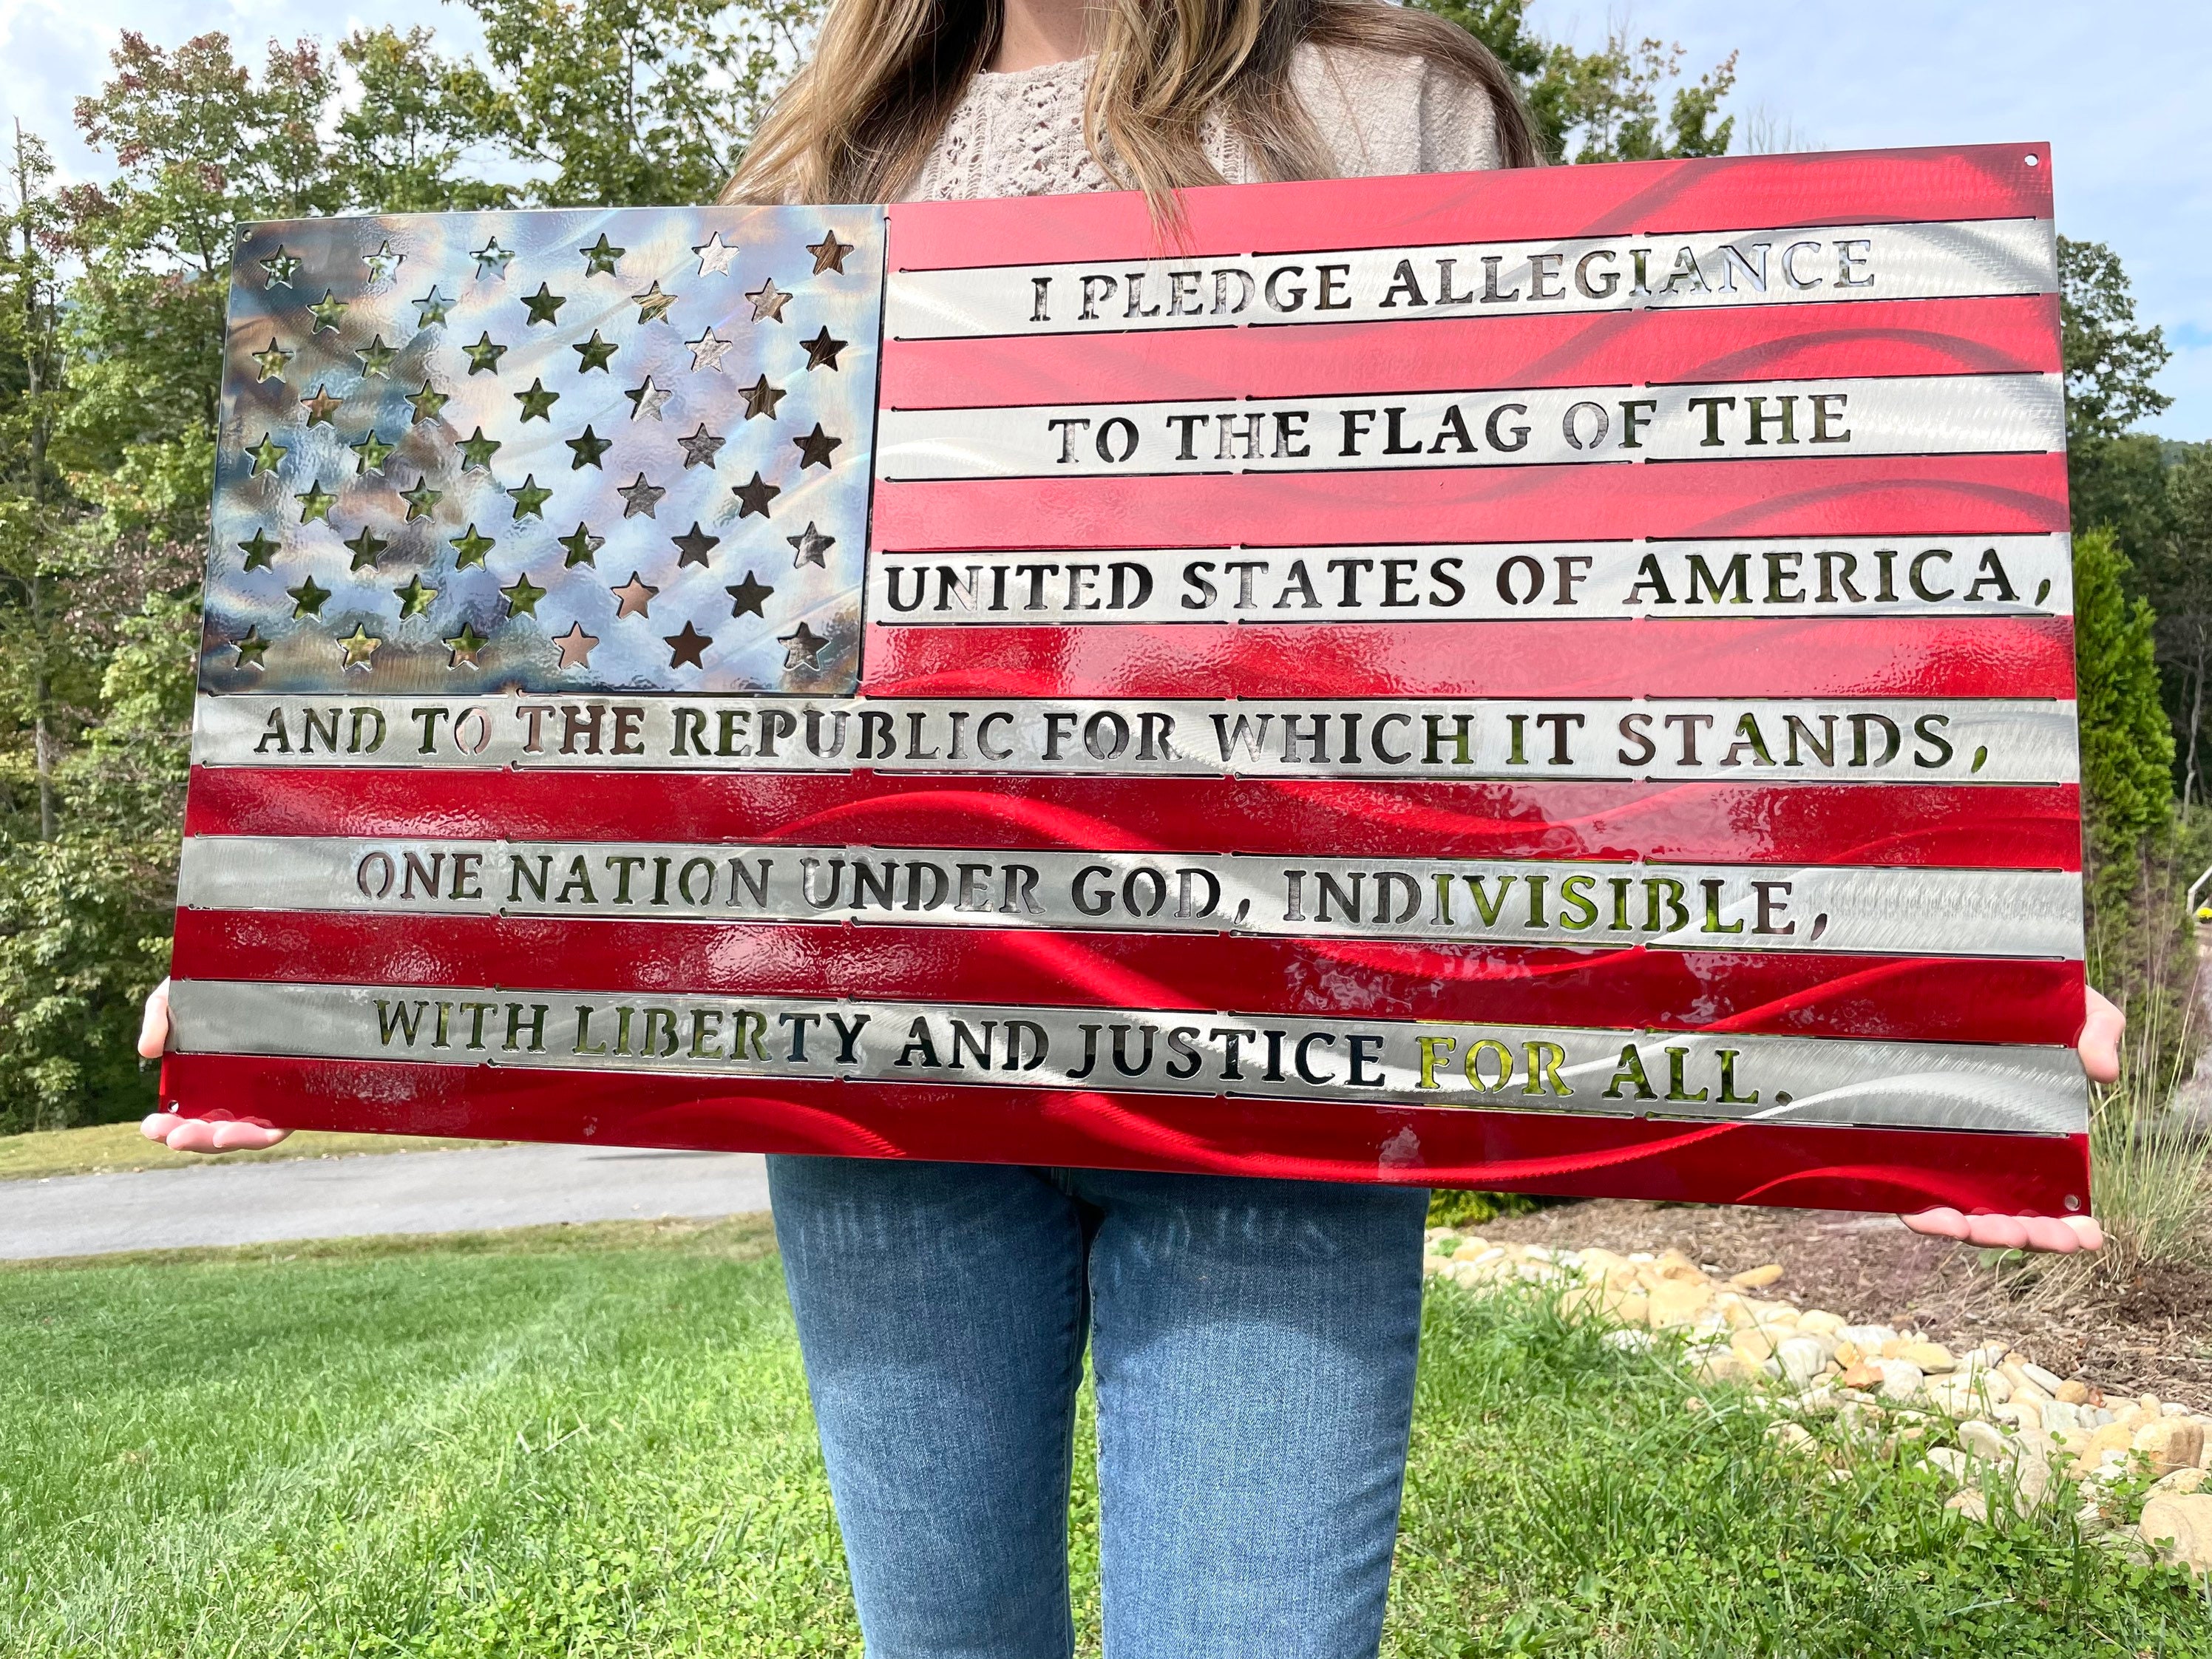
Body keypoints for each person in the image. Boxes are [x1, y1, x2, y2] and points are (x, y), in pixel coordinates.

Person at [136, 2, 2121, 1651]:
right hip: (882, 1087)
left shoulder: (1394, 102)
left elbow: (1580, 610)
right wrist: (295, 949)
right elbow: (649, 680)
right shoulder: (822, 163)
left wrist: (1937, 996)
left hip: (1277, 1087)